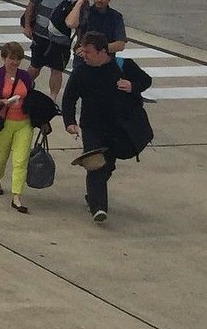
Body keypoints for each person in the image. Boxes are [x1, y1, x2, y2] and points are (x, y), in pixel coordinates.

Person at [61, 31, 155, 224]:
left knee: (107, 166)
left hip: (117, 129)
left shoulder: (123, 66)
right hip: (92, 128)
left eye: (88, 52)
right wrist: (69, 122)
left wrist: (132, 86)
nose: (84, 55)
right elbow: (69, 98)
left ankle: (93, 195)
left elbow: (146, 80)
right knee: (95, 164)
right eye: (83, 51)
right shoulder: (80, 72)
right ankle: (99, 208)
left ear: (102, 52)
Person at [0, 41, 38, 212]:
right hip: (3, 122)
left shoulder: (25, 76)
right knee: (1, 156)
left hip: (24, 123)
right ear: (4, 58)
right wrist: (1, 101)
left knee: (21, 160)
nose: (15, 62)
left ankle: (17, 196)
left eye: (18, 59)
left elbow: (31, 96)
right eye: (12, 59)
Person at [21, 0, 81, 97]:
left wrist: (78, 41)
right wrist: (27, 26)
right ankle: (22, 89)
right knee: (34, 67)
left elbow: (79, 20)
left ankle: (53, 98)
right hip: (40, 36)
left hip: (61, 40)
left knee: (57, 69)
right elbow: (30, 7)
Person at [69, 0, 128, 73]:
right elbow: (71, 23)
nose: (99, 0)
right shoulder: (85, 12)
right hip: (82, 61)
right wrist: (79, 3)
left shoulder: (116, 17)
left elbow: (120, 45)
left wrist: (92, 50)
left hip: (105, 64)